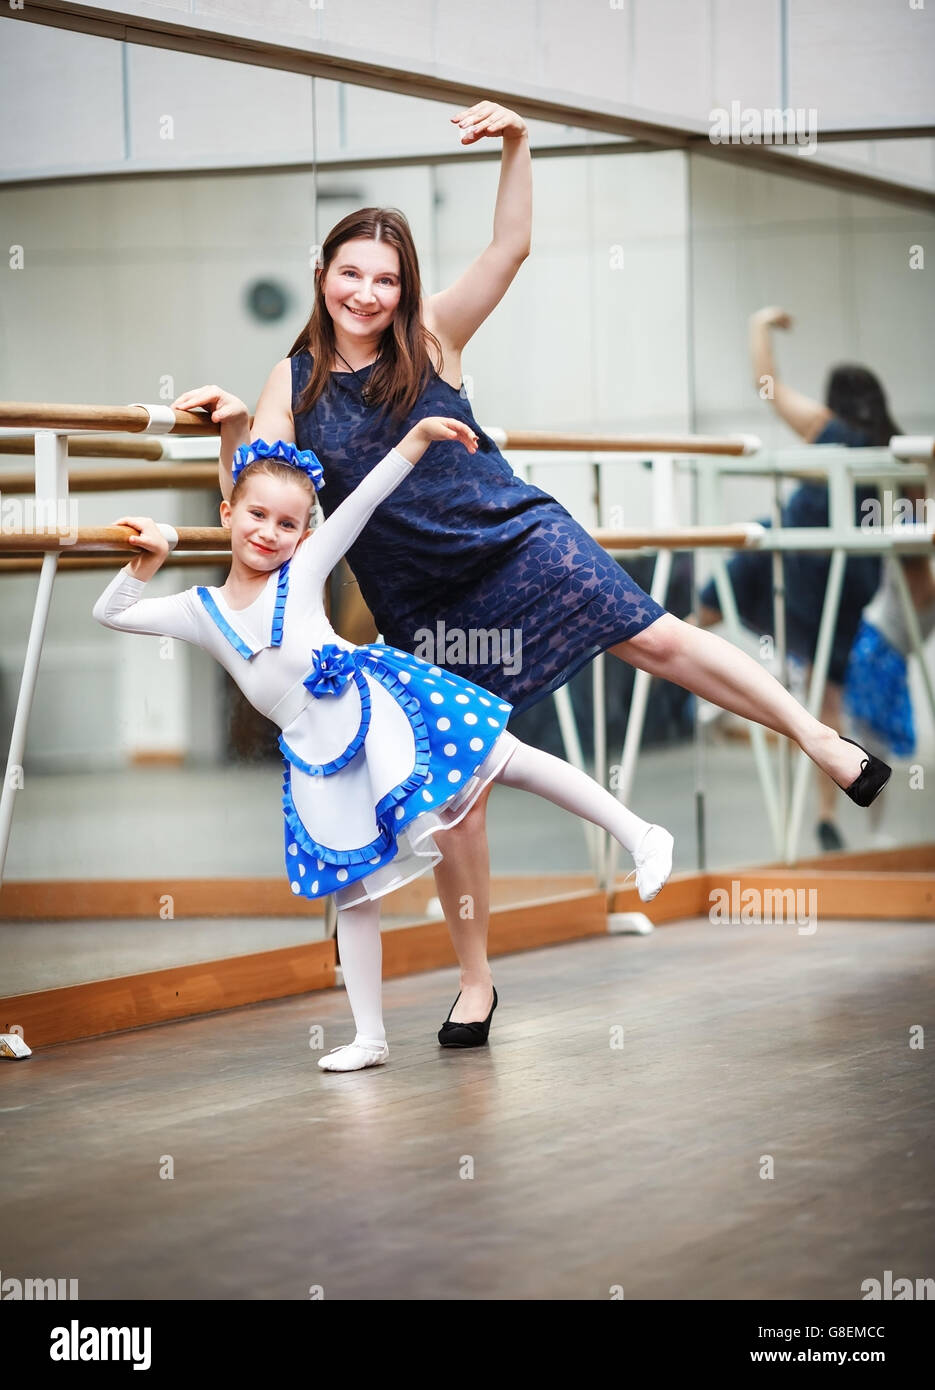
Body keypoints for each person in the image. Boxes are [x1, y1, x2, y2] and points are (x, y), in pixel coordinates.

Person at [172, 103, 891, 1046]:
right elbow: (260, 500)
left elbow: (509, 247)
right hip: (420, 598)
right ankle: (475, 982)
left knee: (653, 637)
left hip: (514, 537)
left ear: (404, 288)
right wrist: (228, 422)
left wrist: (517, 143)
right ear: (323, 276)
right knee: (456, 793)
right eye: (351, 273)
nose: (367, 293)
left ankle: (820, 741)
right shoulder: (293, 377)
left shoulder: (431, 336)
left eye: (385, 278)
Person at [92, 418, 677, 1072]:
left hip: (387, 704)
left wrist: (417, 440)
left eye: (287, 524)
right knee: (354, 892)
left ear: (303, 533)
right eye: (256, 515)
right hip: (322, 755)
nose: (269, 533)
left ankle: (640, 834)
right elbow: (112, 613)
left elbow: (365, 498)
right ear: (228, 512)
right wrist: (152, 558)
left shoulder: (304, 568)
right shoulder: (199, 610)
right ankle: (368, 1037)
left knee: (506, 761)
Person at [694, 306, 914, 852]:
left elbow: (767, 387)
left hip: (798, 569)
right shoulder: (894, 447)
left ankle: (671, 646)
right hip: (850, 583)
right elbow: (913, 527)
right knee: (827, 702)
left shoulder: (832, 430)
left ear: (835, 400)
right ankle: (825, 810)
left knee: (744, 558)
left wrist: (760, 324)